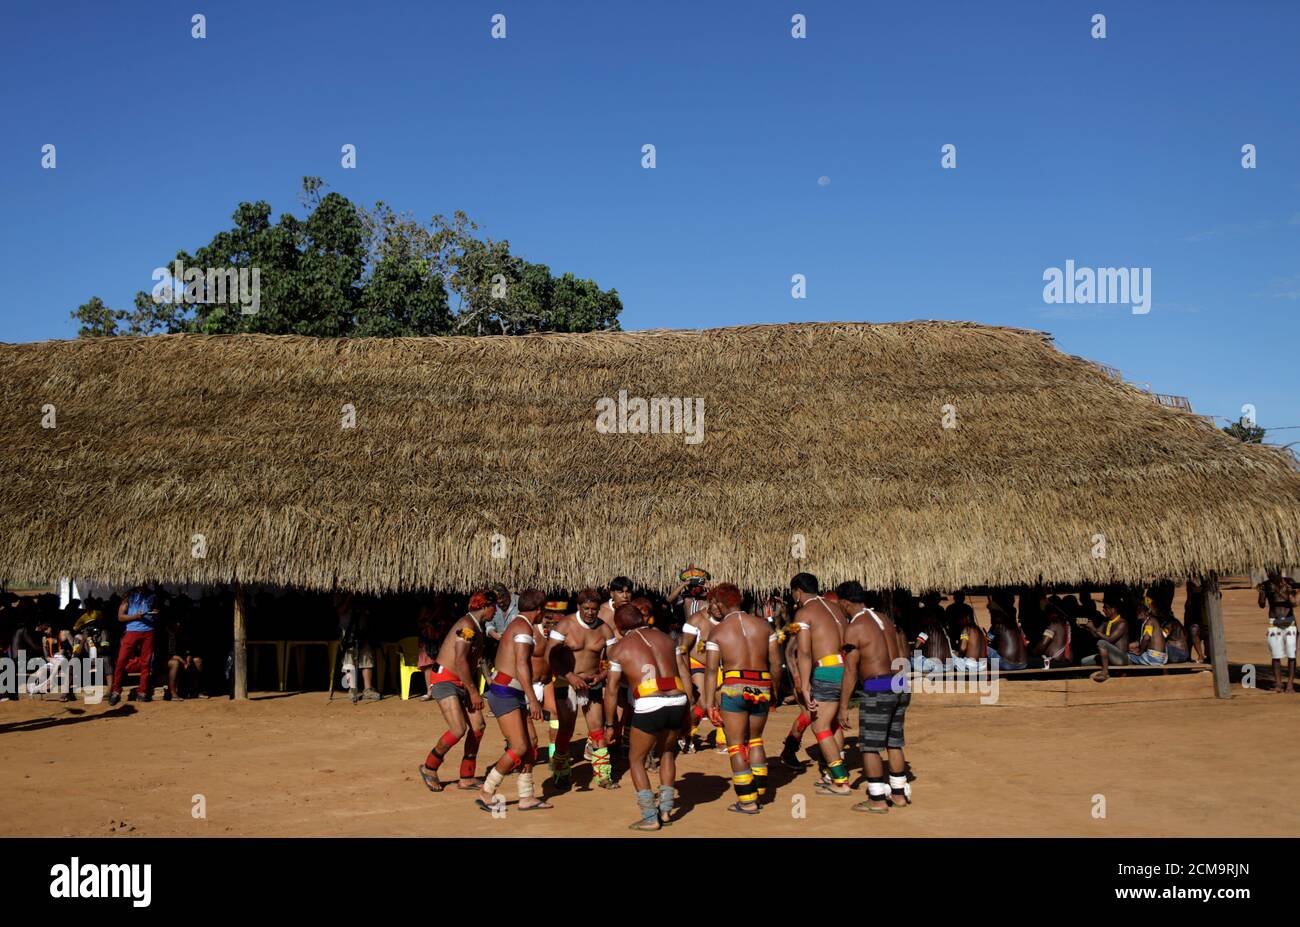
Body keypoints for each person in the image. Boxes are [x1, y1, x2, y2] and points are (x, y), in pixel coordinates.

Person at [700, 583, 782, 815]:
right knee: (755, 740)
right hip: (762, 685)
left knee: (736, 745)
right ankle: (760, 792)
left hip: (734, 686)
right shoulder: (764, 626)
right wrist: (774, 689)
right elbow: (776, 664)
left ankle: (747, 801)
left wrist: (708, 703)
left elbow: (710, 670)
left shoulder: (718, 632)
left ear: (719, 604)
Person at [603, 603, 687, 830]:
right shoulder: (667, 639)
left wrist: (610, 723)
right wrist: (689, 709)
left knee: (636, 760)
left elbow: (611, 690)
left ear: (619, 627)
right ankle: (666, 811)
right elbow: (683, 673)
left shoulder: (619, 649)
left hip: (650, 702)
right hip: (678, 699)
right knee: (668, 753)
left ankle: (650, 817)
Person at [837, 582, 911, 812]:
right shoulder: (884, 619)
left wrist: (843, 706)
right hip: (900, 684)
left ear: (845, 603)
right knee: (893, 742)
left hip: (878, 688)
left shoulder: (855, 627)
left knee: (869, 747)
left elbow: (850, 670)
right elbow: (902, 650)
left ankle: (877, 799)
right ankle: (898, 794)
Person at [477, 590, 552, 812]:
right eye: (544, 610)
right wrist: (533, 699)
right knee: (519, 746)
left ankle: (526, 796)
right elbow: (521, 665)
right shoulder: (522, 628)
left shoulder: (520, 625)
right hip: (505, 692)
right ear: (538, 610)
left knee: (531, 742)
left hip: (510, 691)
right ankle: (487, 791)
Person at [417, 591, 495, 793]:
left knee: (477, 727)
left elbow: (476, 660)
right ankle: (429, 767)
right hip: (445, 680)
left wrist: (485, 681)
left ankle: (467, 776)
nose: (496, 611)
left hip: (461, 681)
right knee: (458, 729)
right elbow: (460, 660)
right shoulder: (467, 626)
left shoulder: (476, 626)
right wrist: (474, 692)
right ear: (485, 607)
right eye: (493, 607)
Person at [546, 589, 615, 790]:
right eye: (586, 608)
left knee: (597, 731)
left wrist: (601, 676)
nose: (590, 613)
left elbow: (612, 660)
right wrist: (570, 676)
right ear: (578, 607)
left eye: (594, 609)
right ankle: (561, 772)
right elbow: (551, 657)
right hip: (565, 682)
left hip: (592, 683)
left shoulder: (605, 629)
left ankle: (603, 775)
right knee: (566, 730)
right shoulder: (565, 625)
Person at [790, 572, 851, 795]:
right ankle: (831, 772)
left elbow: (804, 652)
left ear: (797, 591)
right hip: (845, 669)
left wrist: (805, 685)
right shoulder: (835, 608)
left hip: (826, 671)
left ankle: (840, 781)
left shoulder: (803, 613)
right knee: (832, 723)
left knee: (819, 726)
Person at [108, 584, 160, 705]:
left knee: (146, 662)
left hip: (148, 631)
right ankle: (116, 691)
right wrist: (135, 617)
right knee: (121, 660)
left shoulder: (152, 596)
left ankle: (142, 691)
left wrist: (156, 614)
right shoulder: (129, 596)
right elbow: (120, 617)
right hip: (132, 631)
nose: (143, 583)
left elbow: (156, 612)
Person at [1259, 573, 1297, 694]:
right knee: (1276, 655)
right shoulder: (1266, 585)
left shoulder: (1289, 582)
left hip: (1289, 621)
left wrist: (1288, 592)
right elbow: (1261, 604)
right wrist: (1262, 593)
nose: (1271, 573)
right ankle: (1279, 683)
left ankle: (1290, 684)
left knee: (1292, 654)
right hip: (1274, 622)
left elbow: (1294, 603)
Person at [1080, 596, 1130, 683]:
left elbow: (1109, 640)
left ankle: (1105, 672)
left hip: (1121, 658)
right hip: (1108, 657)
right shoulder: (1106, 622)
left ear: (1113, 609)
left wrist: (1094, 629)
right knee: (1083, 661)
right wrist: (1089, 628)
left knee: (1101, 642)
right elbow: (1096, 635)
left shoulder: (1122, 623)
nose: (1103, 610)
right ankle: (1094, 676)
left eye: (1105, 608)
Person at [1030, 599, 1073, 669]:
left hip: (1054, 661)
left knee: (1027, 661)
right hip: (1066, 661)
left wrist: (1033, 652)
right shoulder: (1067, 625)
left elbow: (1042, 645)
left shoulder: (1053, 625)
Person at [986, 600, 1028, 670]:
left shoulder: (997, 626)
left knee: (983, 648)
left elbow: (987, 642)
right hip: (1023, 664)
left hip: (1008, 664)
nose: (991, 616)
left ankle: (990, 676)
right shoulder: (1016, 626)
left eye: (992, 613)